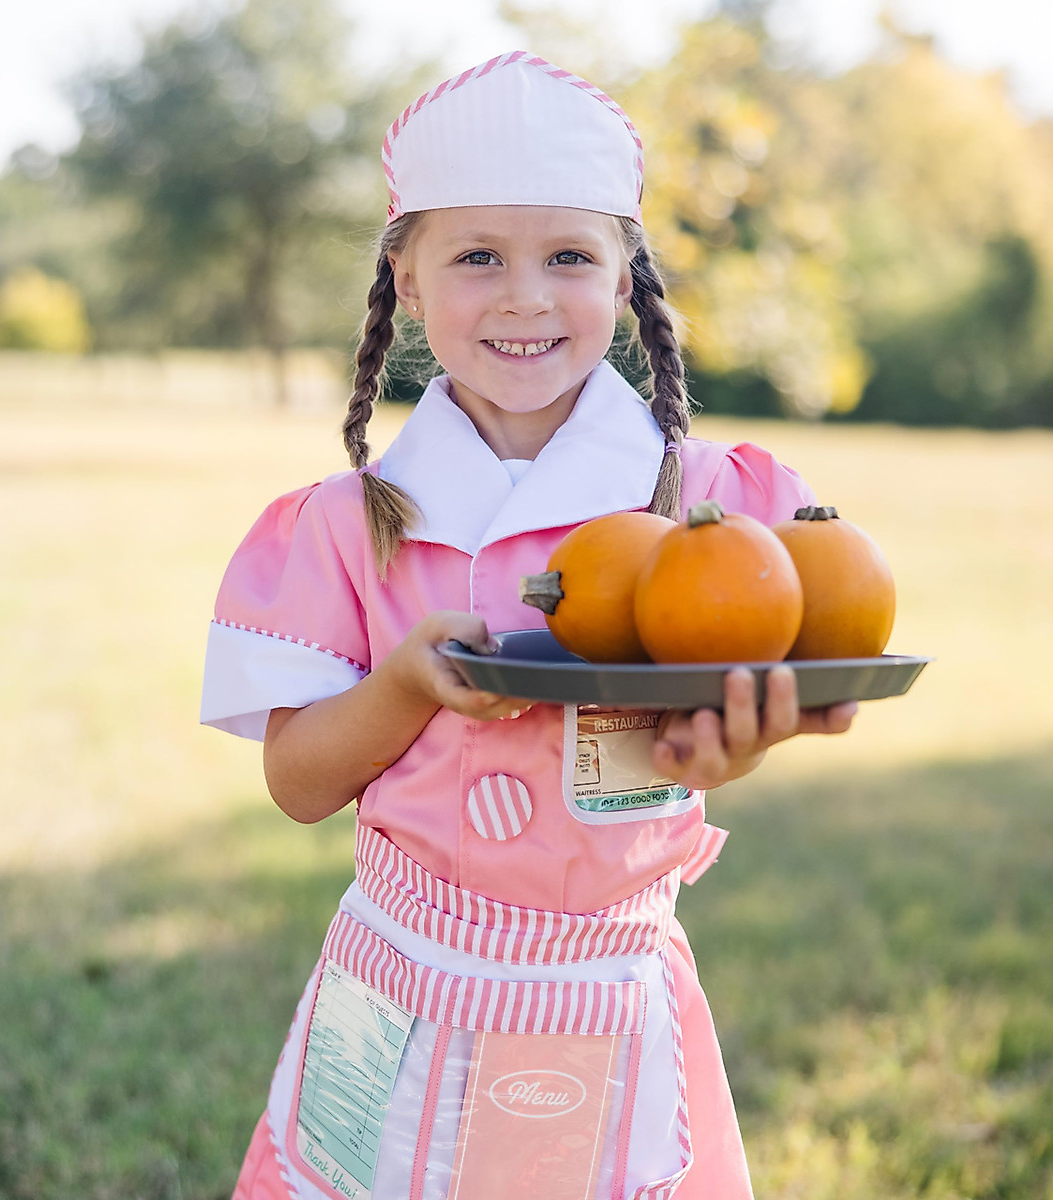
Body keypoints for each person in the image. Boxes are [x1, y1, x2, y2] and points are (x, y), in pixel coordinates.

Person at [201, 51, 857, 1200]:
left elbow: (794, 682)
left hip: (605, 988)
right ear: (405, 279)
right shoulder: (350, 527)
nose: (524, 296)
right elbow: (300, 783)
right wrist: (403, 686)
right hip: (396, 987)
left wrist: (744, 745)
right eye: (476, 258)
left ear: (622, 273)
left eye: (567, 256)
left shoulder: (715, 511)